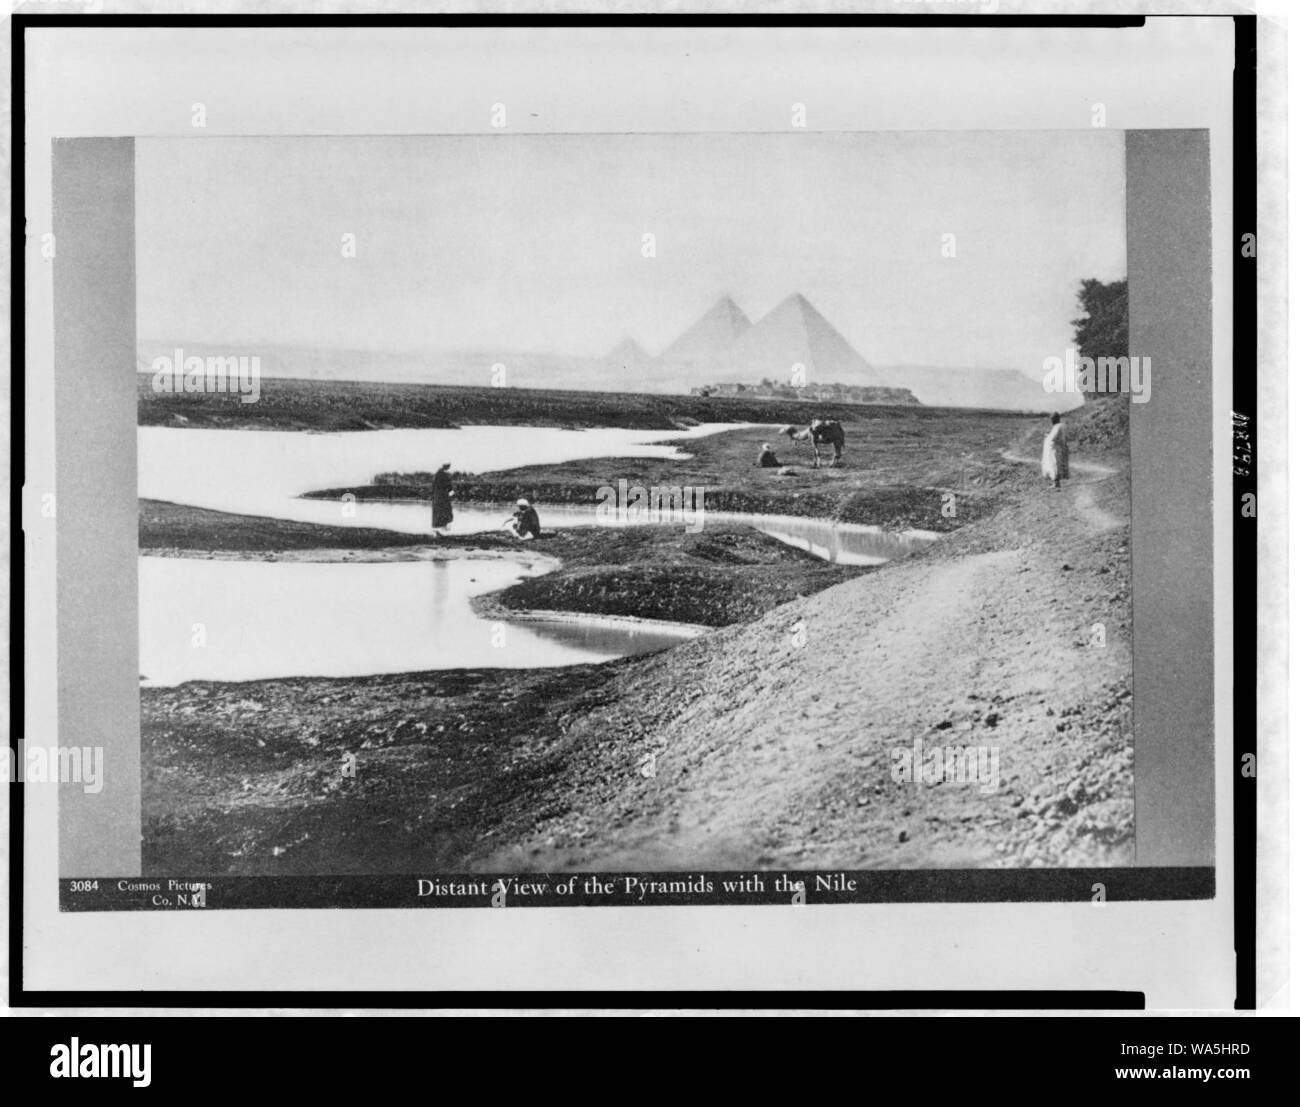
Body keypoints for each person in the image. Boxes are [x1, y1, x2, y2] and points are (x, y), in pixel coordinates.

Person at [1041, 413, 1070, 490]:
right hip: (1060, 447)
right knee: (1056, 464)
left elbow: (1053, 438)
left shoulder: (1057, 426)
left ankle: (1056, 483)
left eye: (1052, 419)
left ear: (1055, 419)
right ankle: (1056, 482)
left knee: (1054, 464)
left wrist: (1047, 437)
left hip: (1055, 449)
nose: (1051, 420)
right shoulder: (1061, 426)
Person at [430, 462, 455, 534]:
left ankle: (439, 528)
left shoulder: (438, 474)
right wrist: (451, 492)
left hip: (438, 497)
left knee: (440, 511)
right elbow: (448, 485)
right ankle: (442, 529)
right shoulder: (443, 475)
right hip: (442, 497)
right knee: (445, 511)